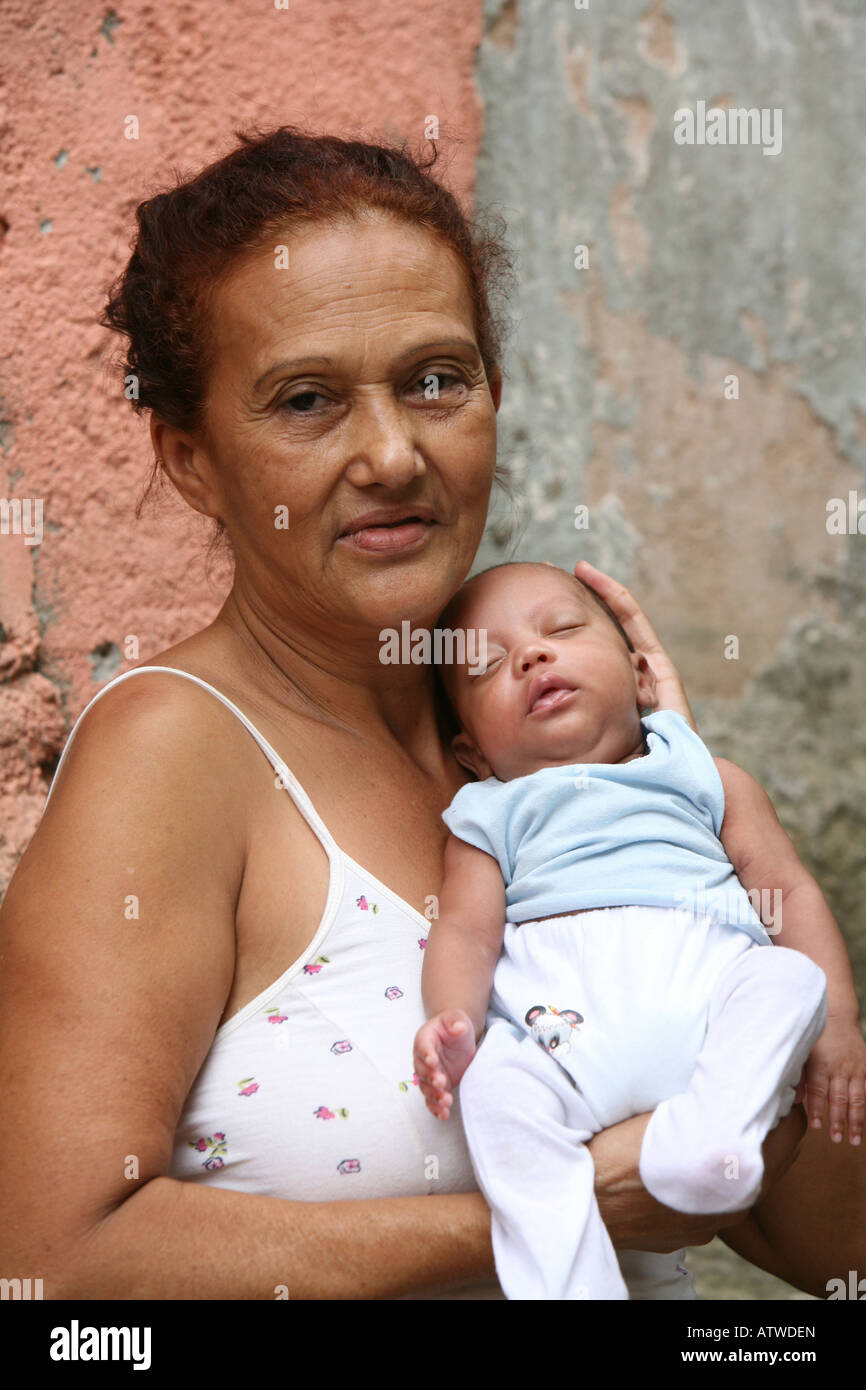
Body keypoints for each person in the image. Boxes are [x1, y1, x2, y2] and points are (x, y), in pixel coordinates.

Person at [0, 126, 862, 1300]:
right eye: (307, 400)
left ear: (495, 396)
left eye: (436, 381)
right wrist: (548, 1207)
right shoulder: (176, 754)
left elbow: (831, 1250)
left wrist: (679, 828)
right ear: (191, 457)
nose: (394, 454)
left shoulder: (553, 748)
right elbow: (49, 1270)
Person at [413, 561, 866, 1298]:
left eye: (561, 628)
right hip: (568, 1037)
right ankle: (570, 1280)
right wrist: (452, 1017)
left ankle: (713, 1136)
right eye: (489, 665)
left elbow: (789, 891)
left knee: (789, 976)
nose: (532, 655)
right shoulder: (489, 813)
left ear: (639, 672)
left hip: (707, 1015)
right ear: (471, 753)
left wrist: (840, 1023)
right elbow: (465, 931)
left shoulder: (705, 776)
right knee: (495, 1087)